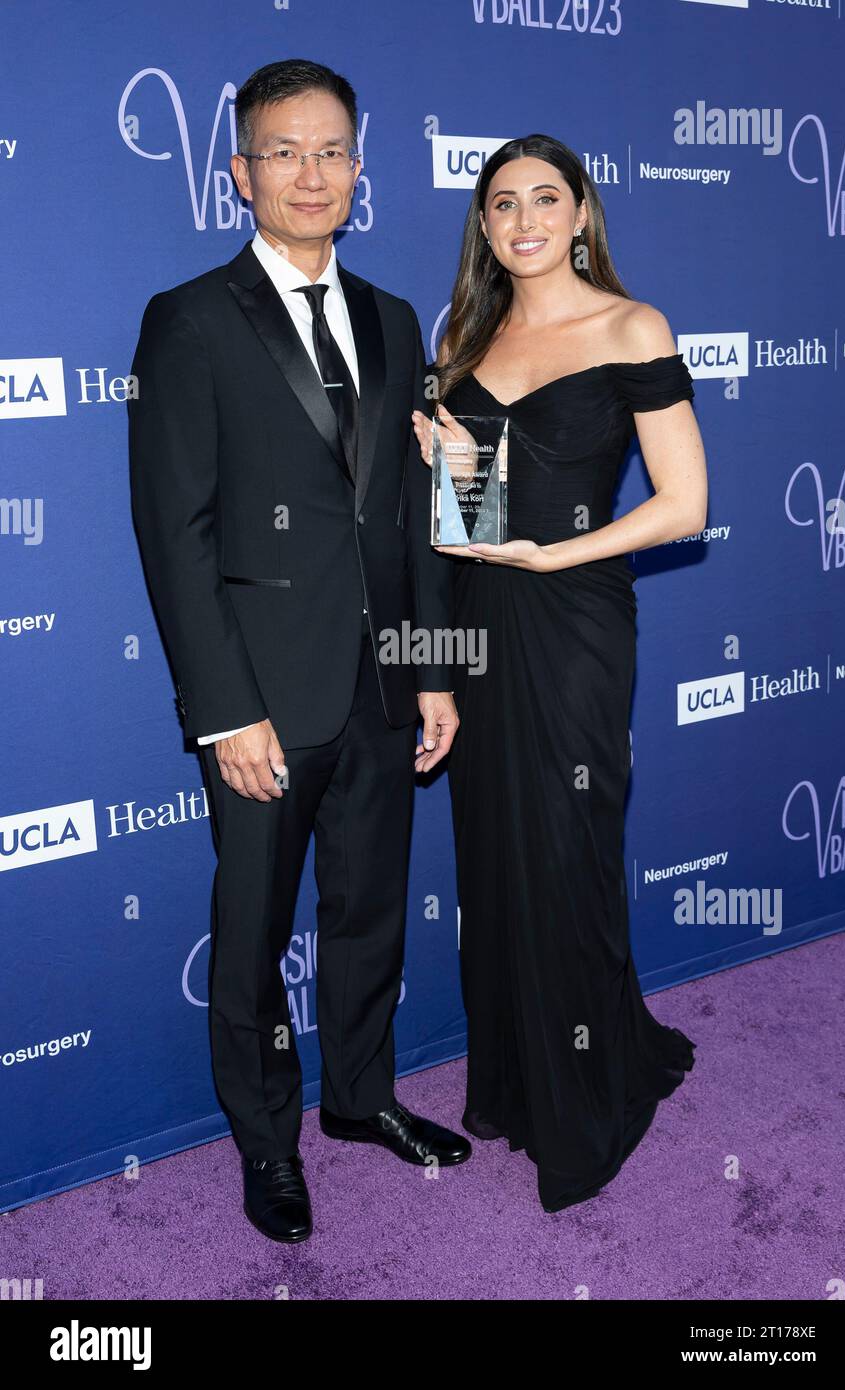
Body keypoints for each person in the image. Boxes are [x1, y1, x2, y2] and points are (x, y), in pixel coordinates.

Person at [128, 59, 470, 1245]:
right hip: (267, 699)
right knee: (254, 936)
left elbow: (415, 514)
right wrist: (225, 710)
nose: (310, 172)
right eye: (284, 151)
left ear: (360, 167)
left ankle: (362, 1098)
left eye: (330, 149)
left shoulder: (389, 317)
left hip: (382, 691)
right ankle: (266, 1145)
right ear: (240, 174)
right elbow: (175, 532)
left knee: (369, 911)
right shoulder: (187, 320)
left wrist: (431, 664)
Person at [412, 134, 707, 1213]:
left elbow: (684, 506)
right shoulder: (463, 330)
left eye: (545, 197)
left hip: (576, 618)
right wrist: (453, 476)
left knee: (565, 844)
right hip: (482, 623)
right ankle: (521, 1081)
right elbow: (462, 531)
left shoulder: (631, 326)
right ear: (482, 224)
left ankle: (587, 1095)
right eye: (501, 204)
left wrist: (554, 553)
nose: (523, 219)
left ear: (581, 211)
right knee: (496, 857)